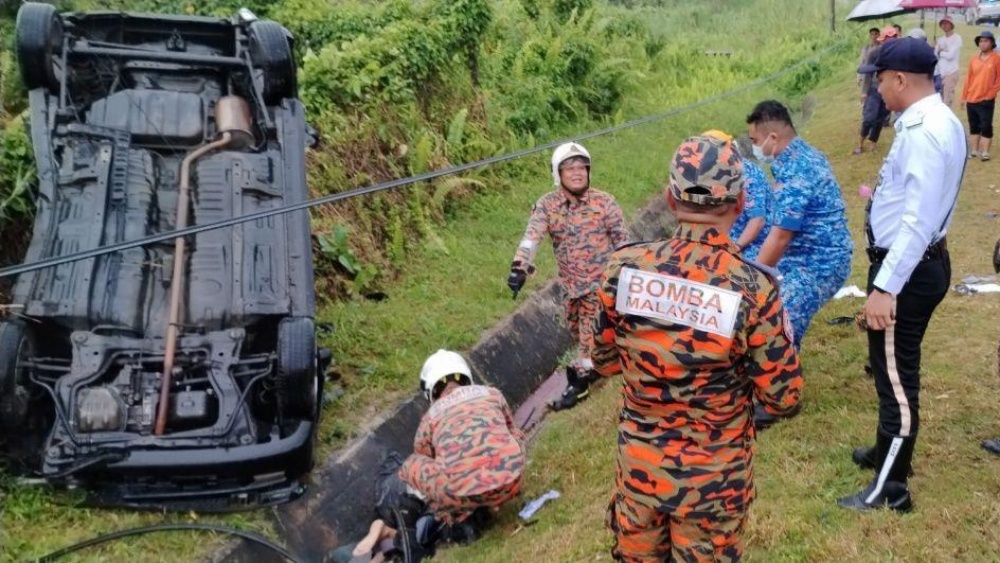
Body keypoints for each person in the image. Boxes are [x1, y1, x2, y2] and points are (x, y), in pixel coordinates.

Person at [592, 134, 803, 562]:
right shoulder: (752, 288)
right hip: (713, 487)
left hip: (639, 476)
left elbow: (604, 360)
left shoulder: (622, 270)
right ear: (741, 201)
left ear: (671, 199)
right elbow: (783, 397)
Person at [839, 37, 966, 512]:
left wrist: (885, 287)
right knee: (891, 368)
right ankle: (886, 451)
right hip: (915, 264)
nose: (876, 89)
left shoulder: (924, 130)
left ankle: (891, 489)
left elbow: (916, 221)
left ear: (898, 79)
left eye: (879, 79)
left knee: (896, 378)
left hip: (909, 272)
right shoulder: (931, 120)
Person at [507, 142, 629, 410]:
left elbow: (623, 243)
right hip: (571, 290)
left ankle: (580, 385)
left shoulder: (604, 202)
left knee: (588, 339)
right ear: (558, 174)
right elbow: (531, 237)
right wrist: (519, 267)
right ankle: (601, 363)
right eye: (569, 168)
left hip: (601, 288)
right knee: (578, 331)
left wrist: (626, 277)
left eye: (581, 167)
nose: (577, 173)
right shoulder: (547, 206)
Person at [746, 100, 854, 351]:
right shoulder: (803, 153)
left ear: (772, 137)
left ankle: (781, 380)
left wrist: (753, 282)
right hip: (803, 254)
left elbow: (780, 237)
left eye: (754, 141)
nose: (754, 148)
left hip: (819, 263)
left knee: (776, 323)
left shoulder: (796, 172)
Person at [398, 350, 525, 528]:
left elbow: (425, 456)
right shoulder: (492, 394)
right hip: (511, 482)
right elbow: (511, 429)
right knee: (514, 432)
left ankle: (450, 514)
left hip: (463, 498)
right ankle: (499, 492)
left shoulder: (430, 418)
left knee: (411, 465)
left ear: (430, 389)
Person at [703, 130, 771, 260]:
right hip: (725, 244)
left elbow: (757, 221)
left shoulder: (748, 175)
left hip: (753, 247)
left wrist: (734, 249)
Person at [856, 26, 899, 155]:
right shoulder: (873, 53)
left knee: (880, 118)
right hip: (874, 89)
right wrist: (864, 91)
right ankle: (860, 143)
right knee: (869, 118)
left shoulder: (897, 54)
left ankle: (873, 143)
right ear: (882, 40)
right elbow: (867, 74)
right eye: (887, 39)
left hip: (889, 90)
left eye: (893, 39)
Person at [961, 30, 1000, 161]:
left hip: (986, 100)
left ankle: (985, 152)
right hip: (972, 98)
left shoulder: (996, 59)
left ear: (992, 43)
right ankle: (974, 151)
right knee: (974, 125)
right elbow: (968, 79)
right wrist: (964, 96)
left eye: (986, 41)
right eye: (981, 41)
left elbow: (998, 80)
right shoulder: (973, 59)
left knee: (986, 125)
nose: (982, 44)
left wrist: (990, 95)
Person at [934, 16, 963, 107]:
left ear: (951, 24)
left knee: (947, 100)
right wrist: (936, 47)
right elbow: (935, 55)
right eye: (943, 23)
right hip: (940, 72)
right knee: (939, 99)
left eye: (947, 23)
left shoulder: (957, 38)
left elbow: (951, 56)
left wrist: (941, 52)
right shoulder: (940, 39)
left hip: (951, 71)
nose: (944, 25)